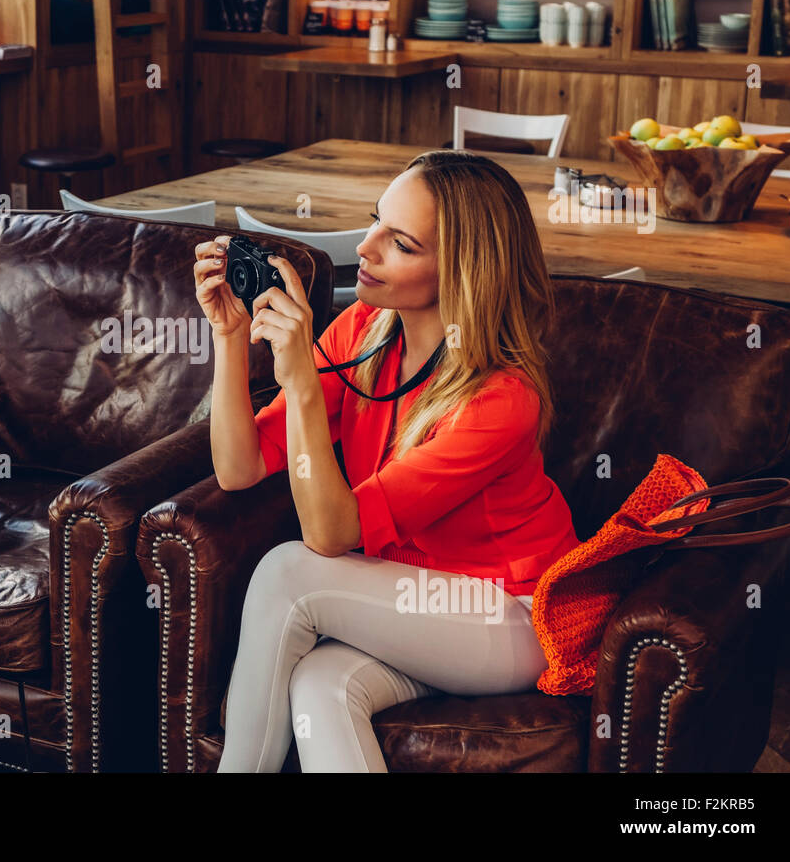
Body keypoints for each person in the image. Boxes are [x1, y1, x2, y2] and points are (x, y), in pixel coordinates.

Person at [192, 149, 581, 773]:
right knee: (320, 685)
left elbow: (329, 536)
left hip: (507, 613)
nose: (366, 248)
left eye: (400, 242)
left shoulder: (502, 401)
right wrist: (231, 338)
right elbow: (237, 470)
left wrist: (299, 382)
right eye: (376, 221)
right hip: (412, 598)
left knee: (288, 573)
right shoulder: (367, 329)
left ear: (460, 272)